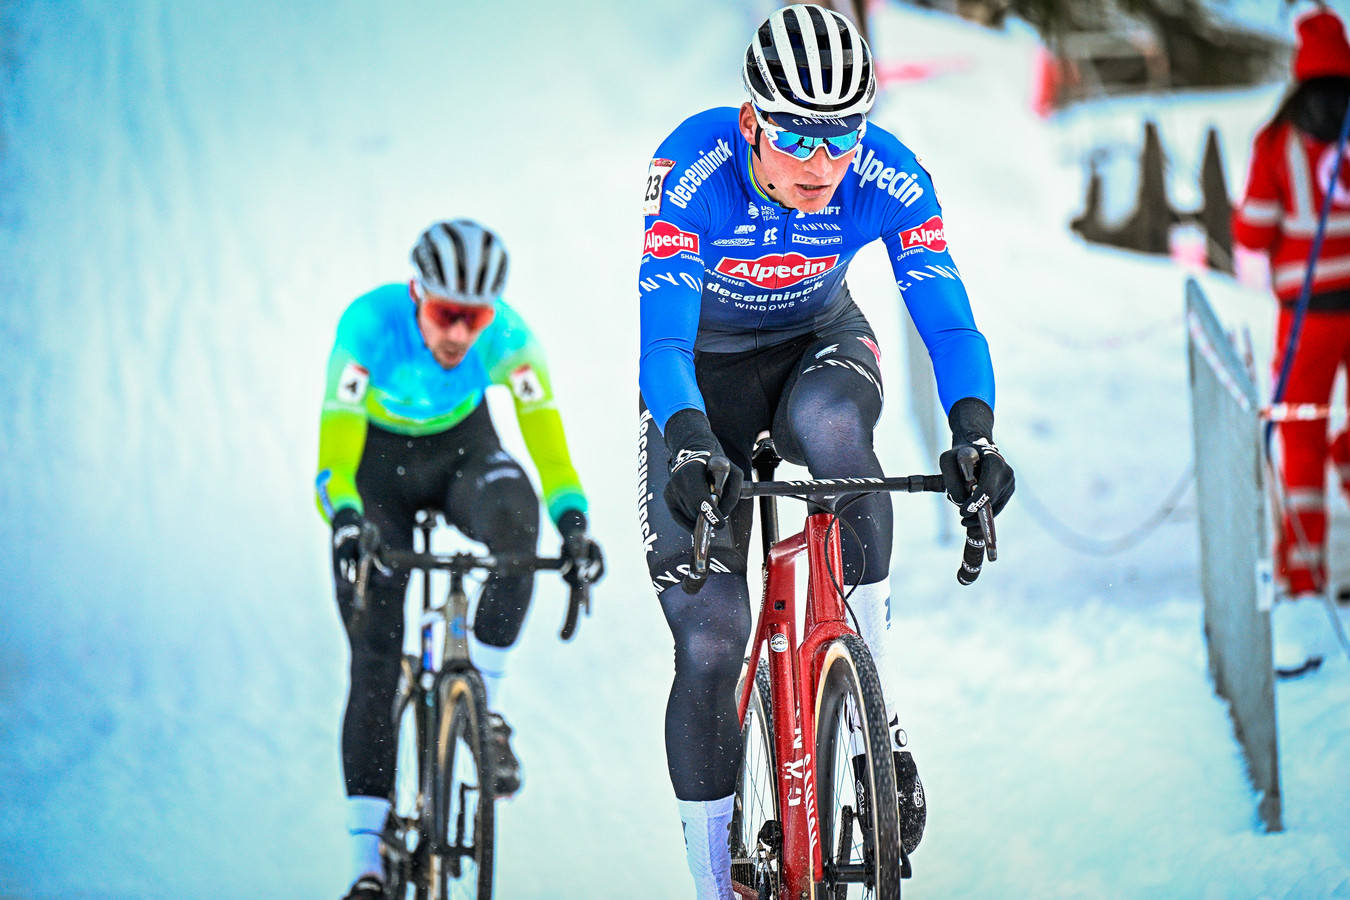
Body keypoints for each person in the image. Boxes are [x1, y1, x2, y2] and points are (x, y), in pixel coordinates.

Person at [635, 5, 1014, 897]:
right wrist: (688, 437)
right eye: (799, 138)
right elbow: (660, 345)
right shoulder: (690, 169)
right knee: (711, 638)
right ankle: (713, 881)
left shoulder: (887, 172)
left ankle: (875, 718)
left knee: (840, 431)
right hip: (703, 378)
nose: (823, 164)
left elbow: (946, 315)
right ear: (751, 121)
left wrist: (974, 429)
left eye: (842, 137)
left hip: (819, 348)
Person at [316, 219, 604, 900]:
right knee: (376, 656)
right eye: (447, 314)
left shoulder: (509, 338)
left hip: (462, 454)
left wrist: (574, 522)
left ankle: (486, 710)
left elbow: (548, 444)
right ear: (417, 293)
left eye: (474, 317)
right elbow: (334, 455)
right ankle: (365, 862)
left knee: (518, 529)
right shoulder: (368, 326)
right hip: (375, 471)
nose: (459, 333)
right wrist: (348, 522)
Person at [1233, 6, 1350, 600]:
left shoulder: (1277, 139)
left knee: (1301, 433)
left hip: (1309, 311)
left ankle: (1305, 576)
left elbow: (1253, 229)